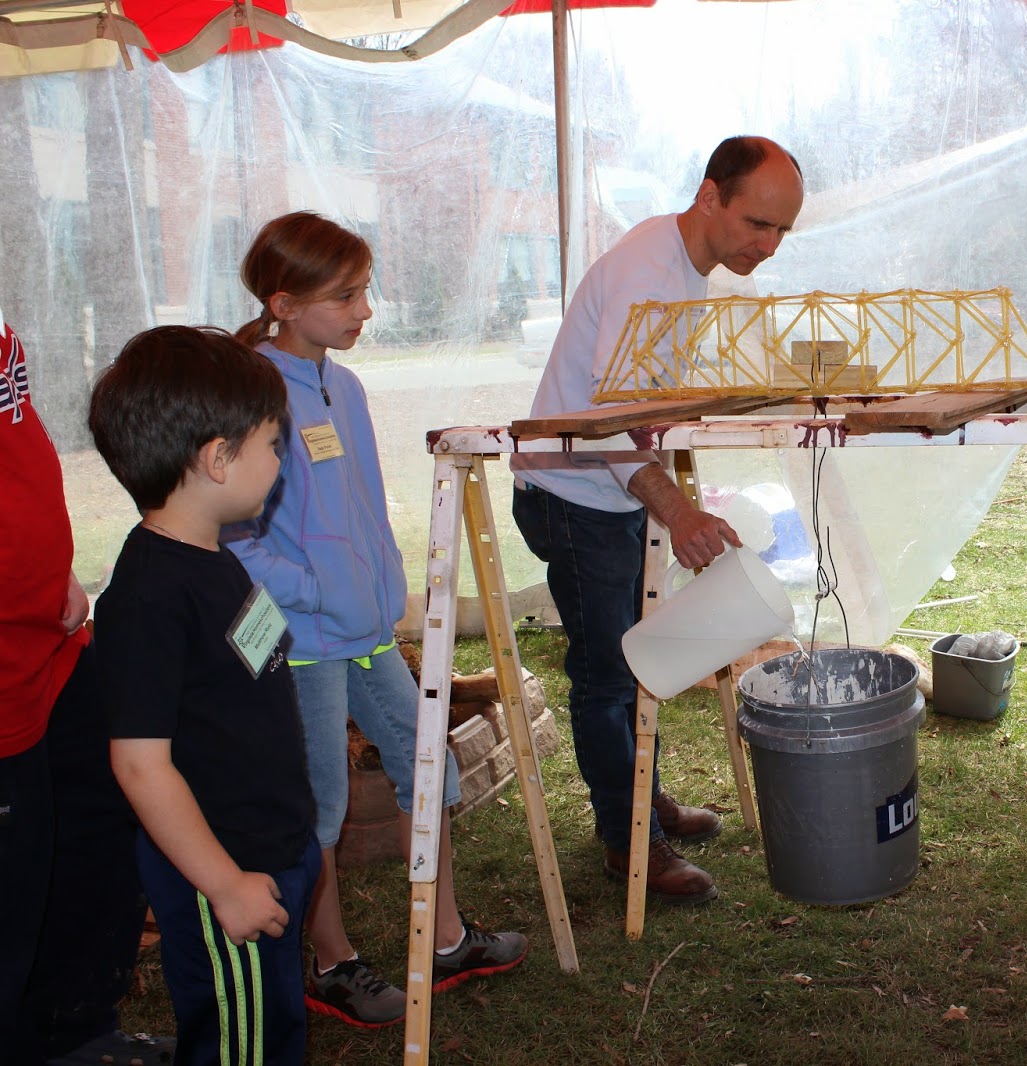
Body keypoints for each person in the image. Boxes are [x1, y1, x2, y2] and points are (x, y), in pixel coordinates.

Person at [222, 212, 525, 1029]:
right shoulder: (246, 389)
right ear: (283, 302)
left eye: (365, 291)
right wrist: (318, 589)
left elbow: (353, 507)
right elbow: (233, 534)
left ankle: (447, 937)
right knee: (317, 806)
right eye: (347, 296)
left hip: (362, 635)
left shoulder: (344, 385)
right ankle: (332, 962)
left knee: (429, 768)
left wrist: (379, 584)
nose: (365, 311)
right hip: (303, 643)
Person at [510, 135, 805, 905]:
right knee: (608, 675)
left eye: (781, 232)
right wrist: (676, 509)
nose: (767, 247)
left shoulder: (685, 266)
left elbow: (643, 410)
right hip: (572, 496)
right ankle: (629, 838)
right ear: (710, 196)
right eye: (757, 224)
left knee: (636, 655)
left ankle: (644, 798)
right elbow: (606, 420)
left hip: (613, 492)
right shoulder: (651, 272)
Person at [88, 325, 318, 1064]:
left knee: (271, 1024)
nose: (280, 462)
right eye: (273, 444)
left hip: (266, 851)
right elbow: (140, 765)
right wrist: (224, 885)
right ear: (219, 459)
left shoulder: (213, 556)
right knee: (240, 1043)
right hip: (226, 868)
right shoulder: (150, 596)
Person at [1, 320, 171, 1066]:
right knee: (14, 889)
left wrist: (46, 572)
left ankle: (74, 1031)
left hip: (51, 639)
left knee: (93, 842)